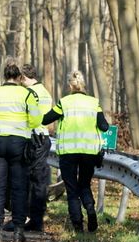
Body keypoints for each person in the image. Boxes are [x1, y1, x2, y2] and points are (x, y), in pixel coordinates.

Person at [0, 59, 42, 242]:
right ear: (19, 77)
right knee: (19, 188)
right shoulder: (26, 94)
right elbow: (36, 120)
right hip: (18, 144)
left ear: (4, 75)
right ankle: (18, 231)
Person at [42, 70, 109, 232]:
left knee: (72, 189)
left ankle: (78, 226)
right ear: (83, 84)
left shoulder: (64, 103)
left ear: (69, 86)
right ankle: (90, 210)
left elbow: (45, 119)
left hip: (68, 153)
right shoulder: (94, 103)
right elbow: (104, 126)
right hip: (89, 153)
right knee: (84, 185)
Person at [6, 64, 54, 233]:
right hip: (43, 138)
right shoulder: (44, 91)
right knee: (39, 181)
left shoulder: (30, 93)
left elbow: (25, 116)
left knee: (25, 180)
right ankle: (37, 219)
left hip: (33, 139)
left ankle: (24, 218)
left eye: (20, 79)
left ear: (23, 77)